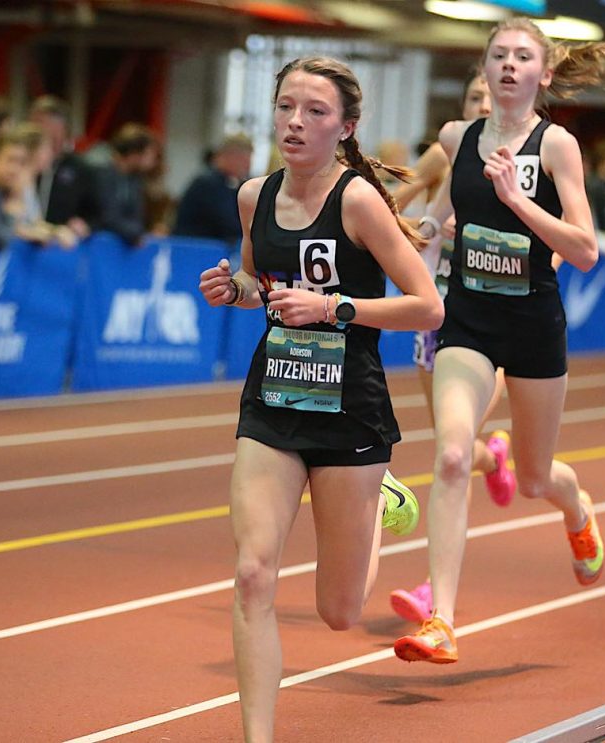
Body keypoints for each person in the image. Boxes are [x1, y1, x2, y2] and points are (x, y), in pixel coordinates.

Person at [197, 56, 443, 742]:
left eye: (314, 111)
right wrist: (236, 289)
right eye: (285, 108)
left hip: (350, 406)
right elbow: (259, 281)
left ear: (346, 127)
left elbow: (425, 306)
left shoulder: (359, 200)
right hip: (274, 397)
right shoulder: (254, 194)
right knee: (251, 571)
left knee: (339, 611)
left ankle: (376, 492)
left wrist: (335, 309)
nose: (295, 122)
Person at [393, 17, 605, 665]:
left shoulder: (557, 146)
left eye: (523, 56)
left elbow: (586, 249)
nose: (509, 65)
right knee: (454, 456)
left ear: (544, 74)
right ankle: (443, 621)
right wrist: (415, 231)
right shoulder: (457, 138)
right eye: (499, 55)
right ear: (485, 70)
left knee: (536, 477)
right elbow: (430, 224)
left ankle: (576, 507)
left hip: (534, 324)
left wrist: (518, 201)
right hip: (468, 322)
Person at [385, 68, 519, 624]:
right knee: (452, 448)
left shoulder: (529, 164)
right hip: (439, 312)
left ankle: (431, 591)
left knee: (451, 456)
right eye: (471, 97)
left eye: (490, 98)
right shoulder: (447, 152)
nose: (479, 106)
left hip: (500, 321)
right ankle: (497, 457)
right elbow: (396, 203)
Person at [0, 126, 77, 251]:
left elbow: (34, 222)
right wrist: (34, 234)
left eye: (20, 162)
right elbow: (3, 238)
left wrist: (54, 231)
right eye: (46, 149)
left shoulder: (23, 184)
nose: (51, 155)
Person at [84, 122, 162, 247]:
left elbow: (137, 217)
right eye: (150, 153)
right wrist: (137, 233)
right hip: (97, 246)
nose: (153, 160)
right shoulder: (102, 174)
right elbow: (107, 217)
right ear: (135, 153)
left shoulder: (135, 180)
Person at [172, 133, 253, 244]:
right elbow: (228, 223)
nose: (248, 165)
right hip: (195, 249)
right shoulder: (207, 184)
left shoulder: (232, 183)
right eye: (244, 159)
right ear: (229, 156)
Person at [30, 95, 92, 239]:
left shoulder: (81, 168)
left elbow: (96, 213)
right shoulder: (22, 166)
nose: (43, 134)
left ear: (64, 131)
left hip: (63, 244)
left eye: (50, 129)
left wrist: (86, 224)